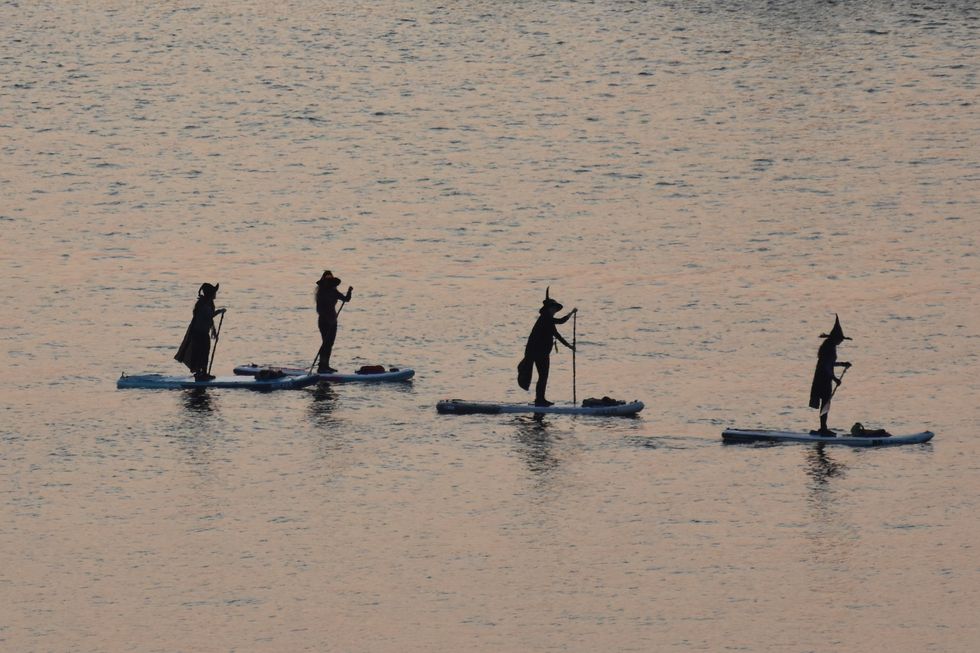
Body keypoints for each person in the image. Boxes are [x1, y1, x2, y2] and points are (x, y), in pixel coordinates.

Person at [517, 287, 576, 406]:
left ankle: (540, 399)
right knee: (543, 376)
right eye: (553, 308)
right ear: (548, 309)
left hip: (542, 353)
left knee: (543, 376)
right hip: (539, 354)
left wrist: (571, 313)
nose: (555, 311)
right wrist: (569, 346)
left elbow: (559, 327)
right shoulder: (545, 319)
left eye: (555, 309)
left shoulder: (547, 319)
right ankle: (540, 400)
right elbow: (559, 329)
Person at [808, 314, 852, 436]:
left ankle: (823, 428)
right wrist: (835, 379)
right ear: (836, 338)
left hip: (822, 378)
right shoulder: (829, 348)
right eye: (841, 339)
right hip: (823, 380)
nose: (842, 341)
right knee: (825, 403)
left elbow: (830, 364)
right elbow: (827, 366)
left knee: (825, 403)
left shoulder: (829, 346)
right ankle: (823, 429)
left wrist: (843, 364)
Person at [174, 283, 226, 381]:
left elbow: (209, 320)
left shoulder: (209, 303)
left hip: (203, 333)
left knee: (205, 352)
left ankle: (204, 373)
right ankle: (199, 374)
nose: (216, 294)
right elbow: (209, 315)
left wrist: (213, 331)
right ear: (210, 294)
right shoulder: (202, 304)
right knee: (199, 353)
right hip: (198, 333)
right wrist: (220, 311)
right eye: (214, 293)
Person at [315, 270, 353, 373]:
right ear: (324, 281)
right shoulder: (321, 293)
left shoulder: (334, 291)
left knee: (330, 344)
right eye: (327, 279)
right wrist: (327, 319)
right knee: (325, 343)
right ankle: (321, 366)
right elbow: (319, 309)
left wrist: (349, 291)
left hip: (333, 321)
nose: (329, 282)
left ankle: (326, 365)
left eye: (330, 279)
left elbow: (346, 299)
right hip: (324, 321)